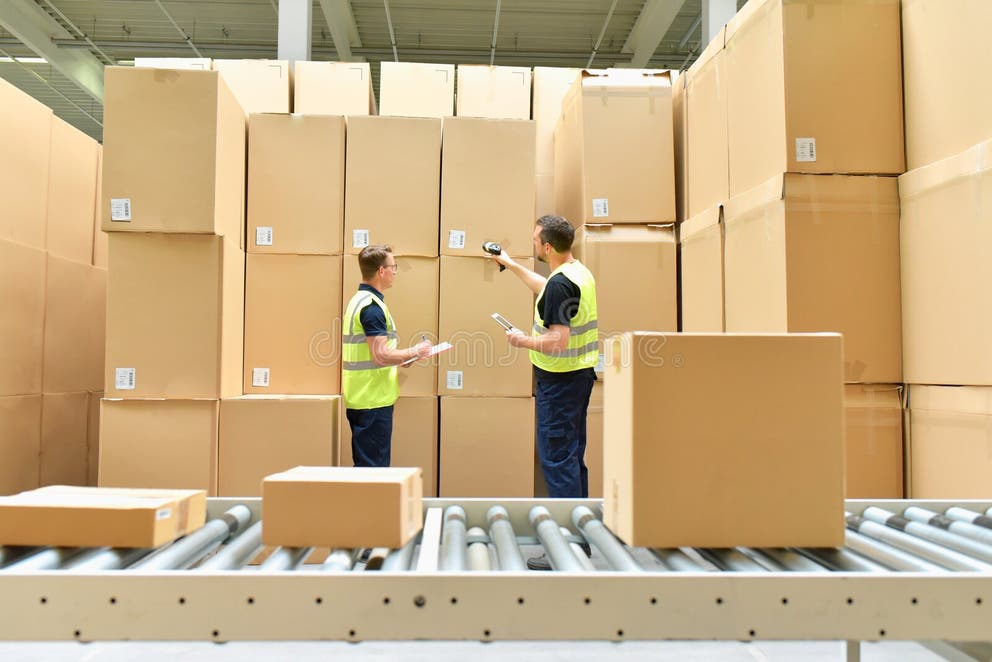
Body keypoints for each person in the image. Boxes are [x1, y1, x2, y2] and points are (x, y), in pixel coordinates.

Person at [486, 215, 598, 570]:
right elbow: (545, 287)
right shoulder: (575, 272)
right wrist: (510, 263)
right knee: (572, 459)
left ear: (547, 246)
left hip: (559, 383)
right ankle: (579, 541)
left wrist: (521, 341)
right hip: (577, 379)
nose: (534, 242)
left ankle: (564, 551)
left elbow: (556, 339)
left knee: (558, 462)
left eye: (536, 239)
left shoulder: (562, 285)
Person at [342, 245, 431, 468]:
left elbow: (378, 354)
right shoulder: (371, 308)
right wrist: (416, 351)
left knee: (368, 469)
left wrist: (405, 358)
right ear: (381, 271)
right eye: (394, 267)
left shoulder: (360, 300)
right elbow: (381, 355)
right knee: (374, 472)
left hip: (364, 397)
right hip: (372, 400)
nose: (395, 272)